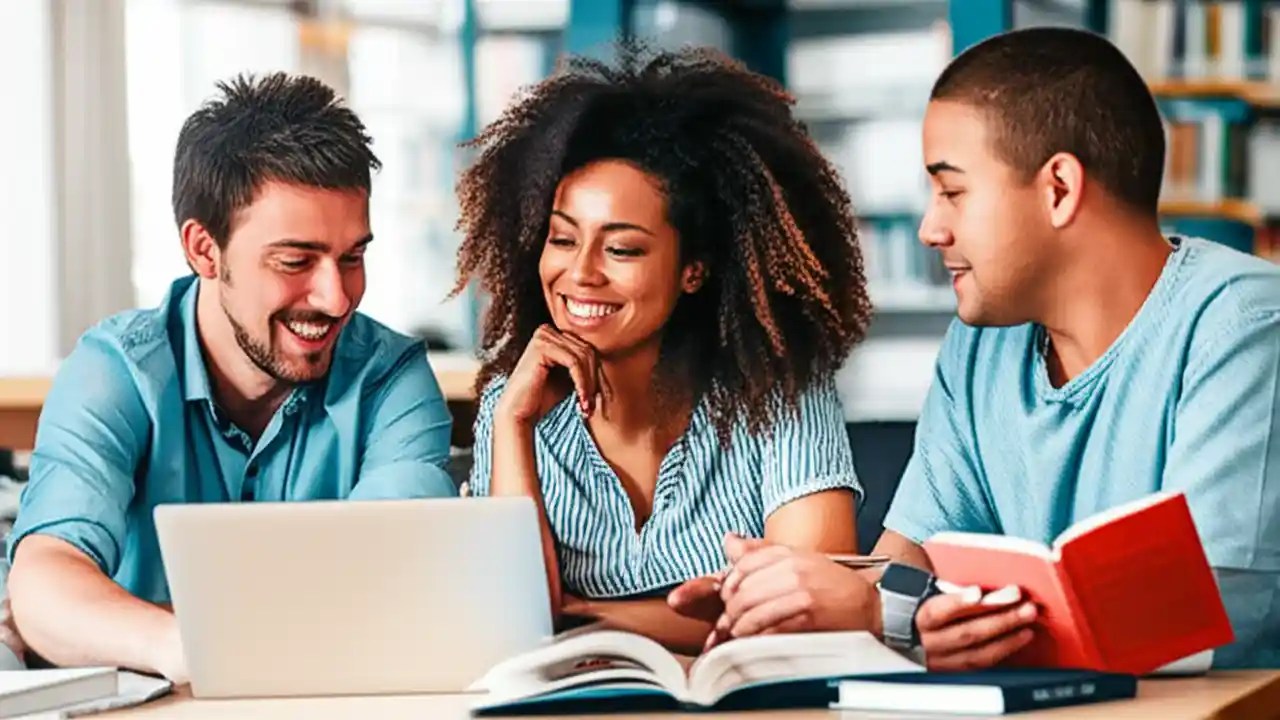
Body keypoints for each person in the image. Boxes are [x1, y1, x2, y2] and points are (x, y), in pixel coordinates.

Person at [670, 27, 1280, 670]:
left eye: (952, 191)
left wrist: (886, 614)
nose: (932, 228)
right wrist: (798, 592)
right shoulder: (980, 347)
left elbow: (1208, 612)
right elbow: (906, 563)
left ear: (1059, 190)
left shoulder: (1245, 323)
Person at [6, 72, 457, 682]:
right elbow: (42, 590)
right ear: (203, 249)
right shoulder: (115, 372)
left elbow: (397, 586)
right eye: (295, 261)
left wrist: (148, 627)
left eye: (353, 256)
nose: (337, 297)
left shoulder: (393, 380)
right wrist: (188, 645)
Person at [454, 45, 874, 654]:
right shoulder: (511, 407)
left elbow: (807, 610)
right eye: (562, 239)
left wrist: (576, 611)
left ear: (693, 270)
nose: (580, 274)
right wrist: (513, 424)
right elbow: (512, 624)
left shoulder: (780, 391)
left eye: (621, 249)